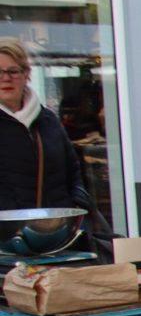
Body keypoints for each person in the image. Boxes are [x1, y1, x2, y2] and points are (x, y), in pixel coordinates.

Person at [0, 37, 90, 213]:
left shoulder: (47, 121)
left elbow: (73, 171)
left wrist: (77, 205)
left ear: (26, 74)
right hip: (6, 235)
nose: (6, 78)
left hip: (54, 231)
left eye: (13, 71)